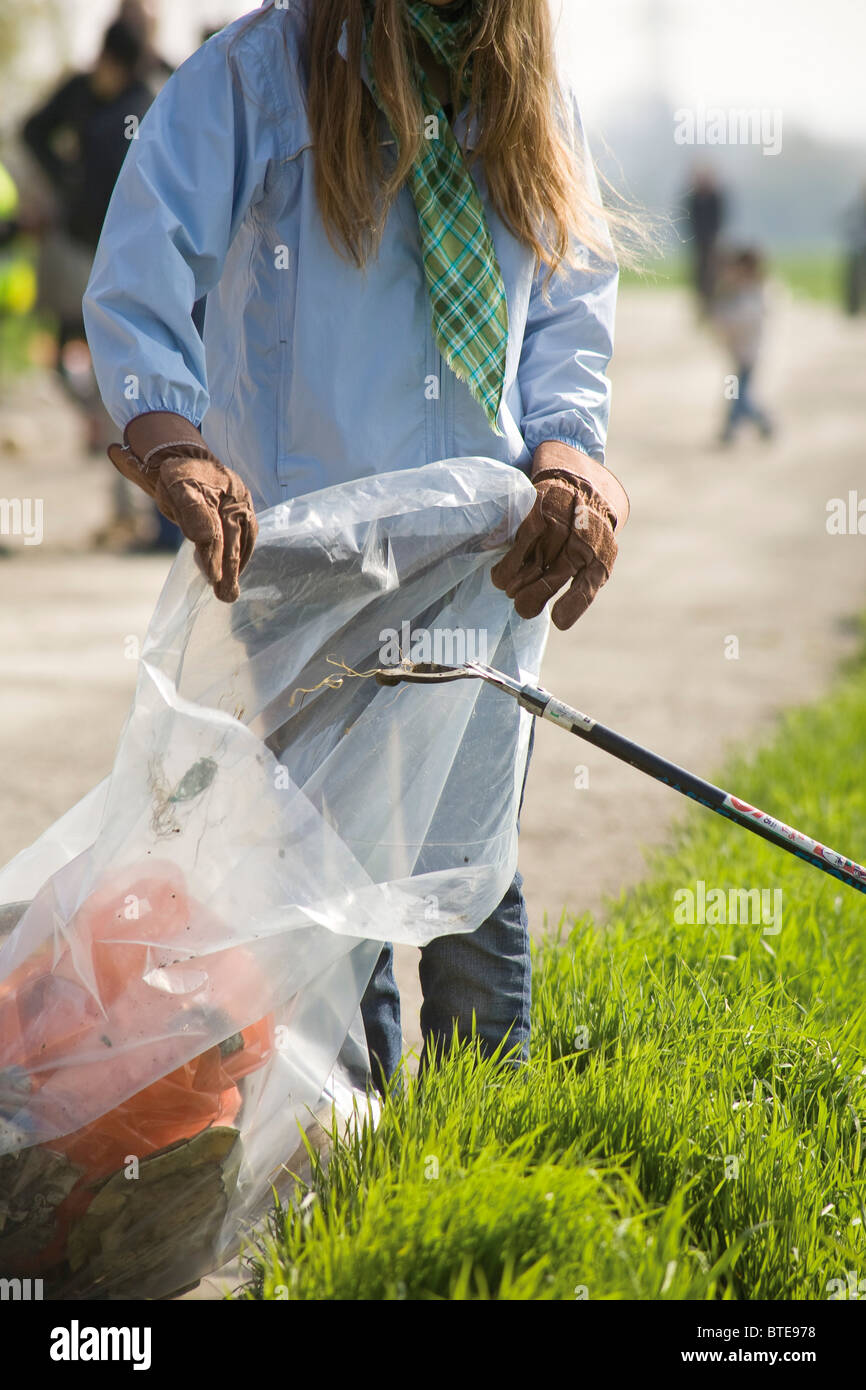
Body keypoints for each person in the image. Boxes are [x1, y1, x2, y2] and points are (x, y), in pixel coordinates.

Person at [82, 0, 630, 1095]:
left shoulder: (524, 83)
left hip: (487, 551)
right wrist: (171, 437)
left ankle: (485, 1138)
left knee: (469, 864)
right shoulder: (256, 75)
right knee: (326, 872)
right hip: (310, 551)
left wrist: (570, 453)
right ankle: (348, 1144)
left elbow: (569, 299)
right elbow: (147, 261)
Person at [710, 246, 773, 446]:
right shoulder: (741, 292)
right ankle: (736, 427)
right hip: (737, 353)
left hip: (747, 356)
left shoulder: (755, 293)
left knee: (738, 394)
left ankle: (740, 427)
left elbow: (737, 321)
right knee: (735, 392)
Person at [683, 165, 726, 312]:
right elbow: (689, 218)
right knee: (698, 273)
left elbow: (719, 218)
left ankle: (712, 303)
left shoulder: (715, 197)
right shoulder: (694, 198)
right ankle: (701, 302)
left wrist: (714, 236)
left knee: (713, 272)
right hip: (697, 241)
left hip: (712, 241)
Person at [841, 182, 866, 317]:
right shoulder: (857, 208)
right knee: (856, 278)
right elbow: (849, 224)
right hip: (859, 249)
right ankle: (854, 309)